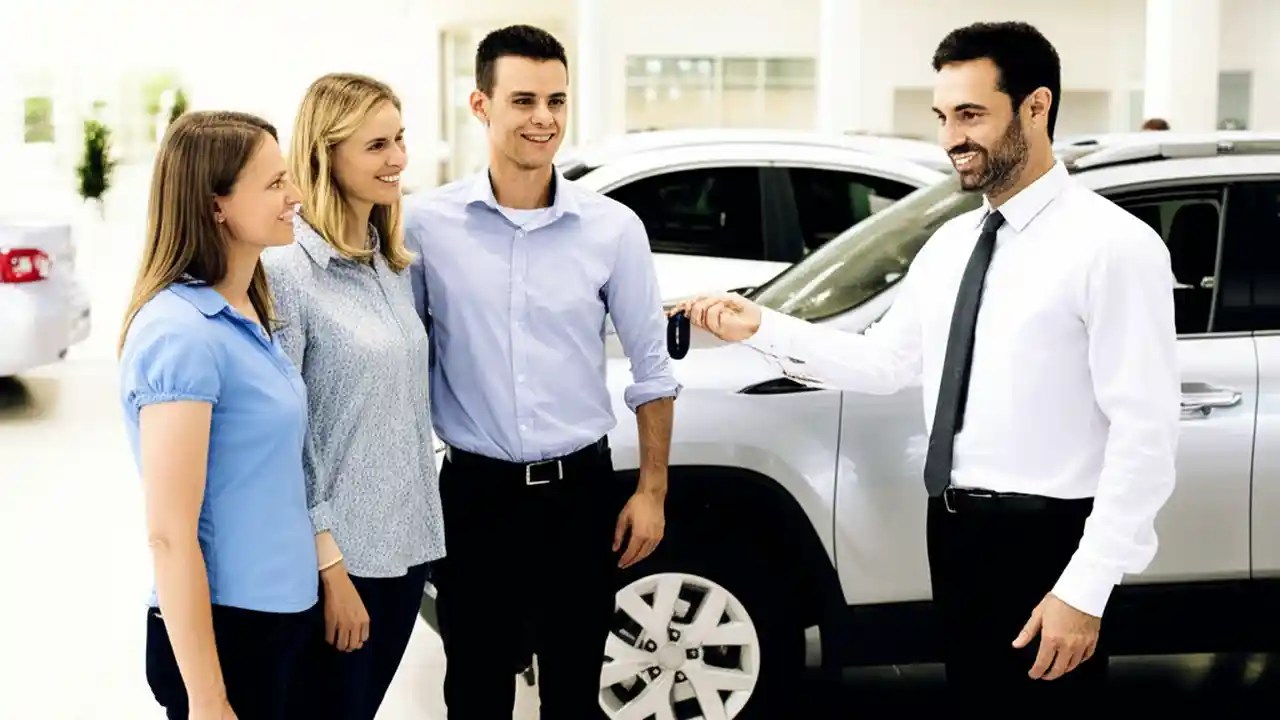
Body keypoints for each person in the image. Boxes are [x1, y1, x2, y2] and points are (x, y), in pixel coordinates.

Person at [674, 21, 1180, 703]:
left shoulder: (1113, 247)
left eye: (971, 114)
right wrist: (760, 325)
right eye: (943, 116)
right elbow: (886, 362)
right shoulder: (951, 244)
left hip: (1051, 539)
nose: (951, 137)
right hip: (954, 529)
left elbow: (1145, 436)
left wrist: (1086, 588)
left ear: (1037, 106)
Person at [403, 24, 680, 718]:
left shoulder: (614, 229)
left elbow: (652, 368)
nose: (544, 119)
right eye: (523, 100)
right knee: (474, 693)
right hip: (475, 499)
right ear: (480, 105)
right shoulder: (424, 227)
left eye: (556, 101)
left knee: (574, 694)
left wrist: (652, 490)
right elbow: (403, 364)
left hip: (581, 496)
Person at [118, 110, 314, 719]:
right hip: (228, 635)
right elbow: (170, 535)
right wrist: (207, 698)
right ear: (216, 207)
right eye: (274, 184)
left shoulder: (246, 312)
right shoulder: (180, 334)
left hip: (275, 625)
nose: (296, 196)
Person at [262, 73, 446, 719]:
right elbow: (282, 439)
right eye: (375, 145)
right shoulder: (286, 273)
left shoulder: (389, 263)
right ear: (325, 153)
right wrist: (331, 572)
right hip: (340, 567)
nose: (398, 158)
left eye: (399, 139)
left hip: (404, 553)